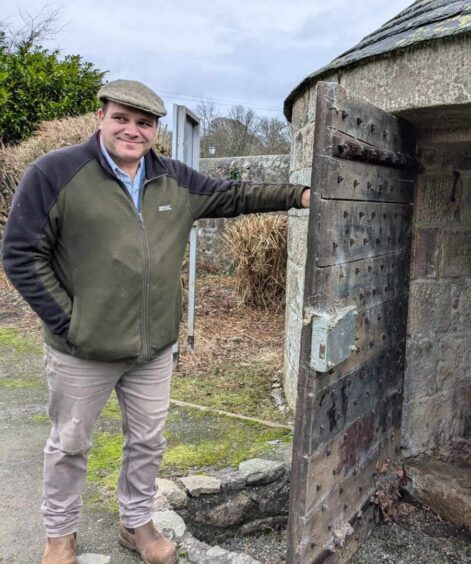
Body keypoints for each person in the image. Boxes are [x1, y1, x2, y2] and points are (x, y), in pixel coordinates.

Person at [1, 79, 310, 564]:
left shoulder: (173, 180)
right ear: (100, 116)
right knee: (69, 444)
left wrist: (300, 194)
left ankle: (136, 522)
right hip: (81, 349)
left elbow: (234, 195)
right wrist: (70, 322)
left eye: (143, 122)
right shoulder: (55, 172)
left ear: (155, 131)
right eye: (121, 117)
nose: (132, 129)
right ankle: (60, 535)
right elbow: (21, 253)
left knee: (147, 440)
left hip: (153, 349)